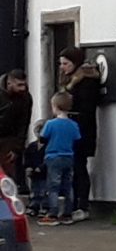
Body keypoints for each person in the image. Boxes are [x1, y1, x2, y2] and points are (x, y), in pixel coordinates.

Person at [56, 46, 103, 221]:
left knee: (79, 166)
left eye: (65, 63)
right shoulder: (68, 80)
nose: (62, 67)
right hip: (70, 128)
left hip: (80, 130)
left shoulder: (87, 81)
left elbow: (87, 108)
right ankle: (72, 204)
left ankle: (82, 205)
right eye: (61, 64)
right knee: (71, 167)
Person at [37, 92, 81, 227]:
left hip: (53, 156)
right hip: (68, 156)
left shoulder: (50, 124)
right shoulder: (73, 125)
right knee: (68, 186)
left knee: (53, 186)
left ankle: (53, 213)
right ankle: (68, 214)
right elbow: (77, 139)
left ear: (55, 107)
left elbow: (43, 138)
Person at [0, 69, 30, 198]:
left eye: (24, 84)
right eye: (19, 85)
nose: (22, 88)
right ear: (9, 83)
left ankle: (5, 210)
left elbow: (24, 124)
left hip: (10, 138)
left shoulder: (25, 98)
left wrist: (17, 148)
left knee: (7, 176)